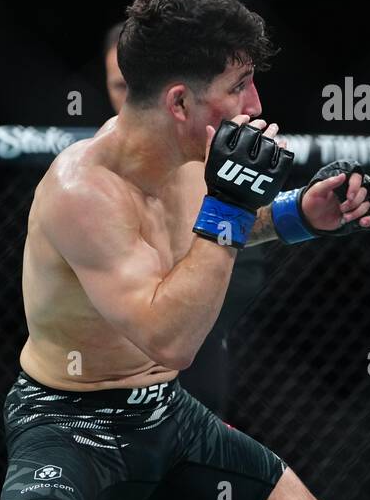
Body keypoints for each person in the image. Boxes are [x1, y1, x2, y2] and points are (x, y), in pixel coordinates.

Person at [0, 0, 370, 500]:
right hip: (67, 424)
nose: (255, 107)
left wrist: (298, 214)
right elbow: (170, 338)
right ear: (180, 103)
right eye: (240, 87)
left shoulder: (188, 154)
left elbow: (198, 237)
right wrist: (228, 204)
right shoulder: (82, 192)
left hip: (169, 417)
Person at [101, 21, 261, 419]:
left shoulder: (199, 157)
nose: (128, 99)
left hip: (199, 341)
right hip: (118, 372)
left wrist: (302, 212)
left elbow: (223, 231)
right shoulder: (92, 181)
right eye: (119, 86)